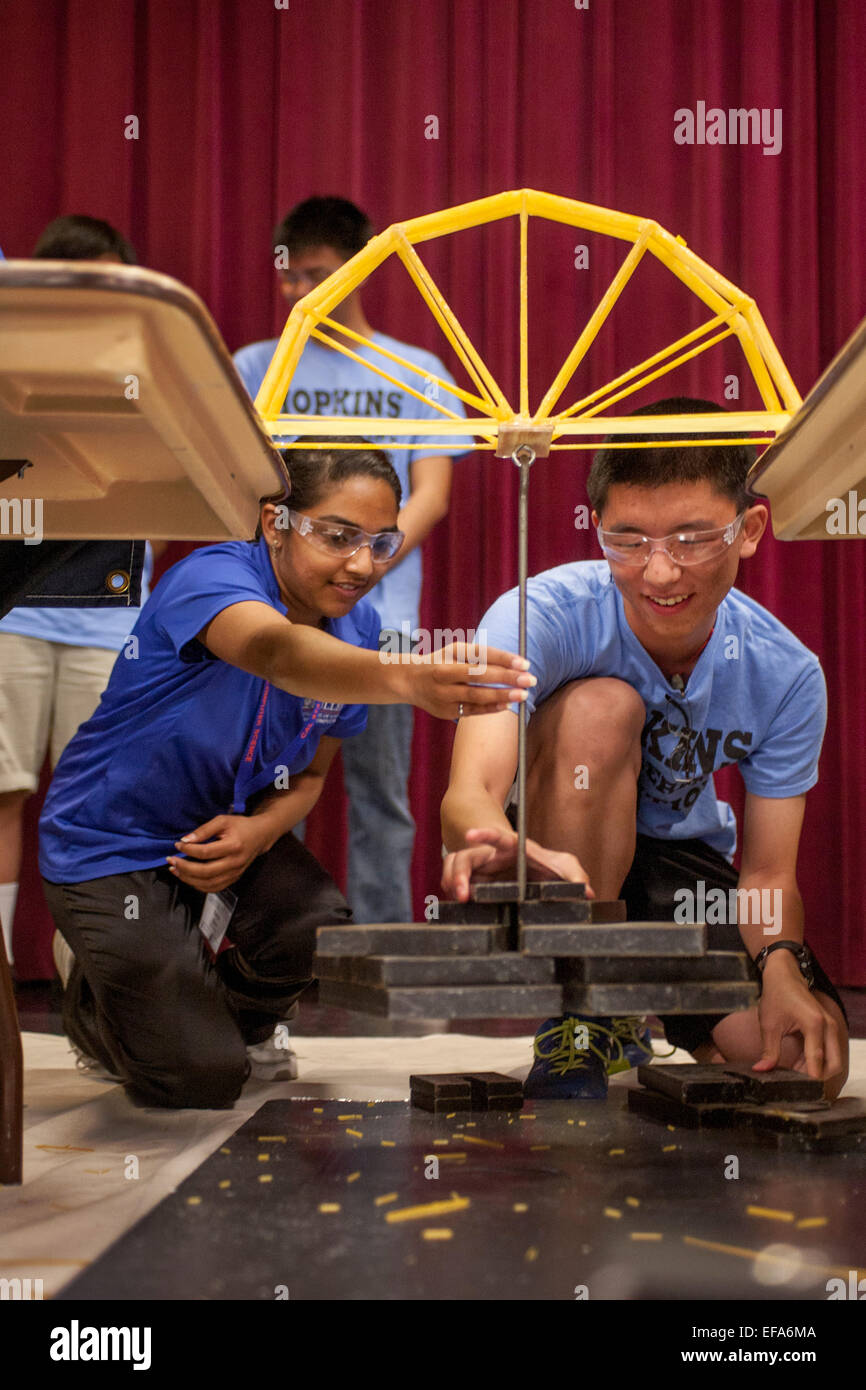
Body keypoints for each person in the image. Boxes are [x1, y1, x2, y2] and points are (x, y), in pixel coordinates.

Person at [39, 441, 533, 1110]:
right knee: (195, 1081)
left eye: (380, 542)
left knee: (314, 926)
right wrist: (409, 678)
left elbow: (309, 775)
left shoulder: (356, 628)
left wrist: (258, 832)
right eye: (337, 537)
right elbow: (277, 652)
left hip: (221, 833)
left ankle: (202, 1017)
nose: (361, 564)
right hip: (109, 841)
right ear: (276, 522)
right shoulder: (211, 577)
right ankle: (98, 1008)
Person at [441, 398, 849, 1101]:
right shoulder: (541, 613)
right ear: (597, 529)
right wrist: (490, 841)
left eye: (692, 539)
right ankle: (586, 1014)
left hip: (677, 870)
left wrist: (782, 964)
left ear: (749, 529)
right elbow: (470, 788)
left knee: (804, 1061)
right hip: (560, 849)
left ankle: (645, 1010)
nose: (660, 573)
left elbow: (767, 876)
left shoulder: (785, 672)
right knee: (603, 708)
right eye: (628, 541)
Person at [234, 196, 472, 924]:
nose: (298, 290)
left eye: (317, 273)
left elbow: (429, 496)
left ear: (359, 270)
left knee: (382, 799)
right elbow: (240, 490)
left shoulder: (419, 369)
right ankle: (264, 957)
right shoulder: (254, 366)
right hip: (273, 623)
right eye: (288, 275)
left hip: (386, 628)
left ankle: (382, 958)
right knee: (269, 793)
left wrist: (354, 565)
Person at [0, 215, 162, 970]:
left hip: (112, 626)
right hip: (14, 614)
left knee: (100, 815)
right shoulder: (10, 365)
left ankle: (92, 999)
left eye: (107, 285)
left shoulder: (155, 371)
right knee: (3, 794)